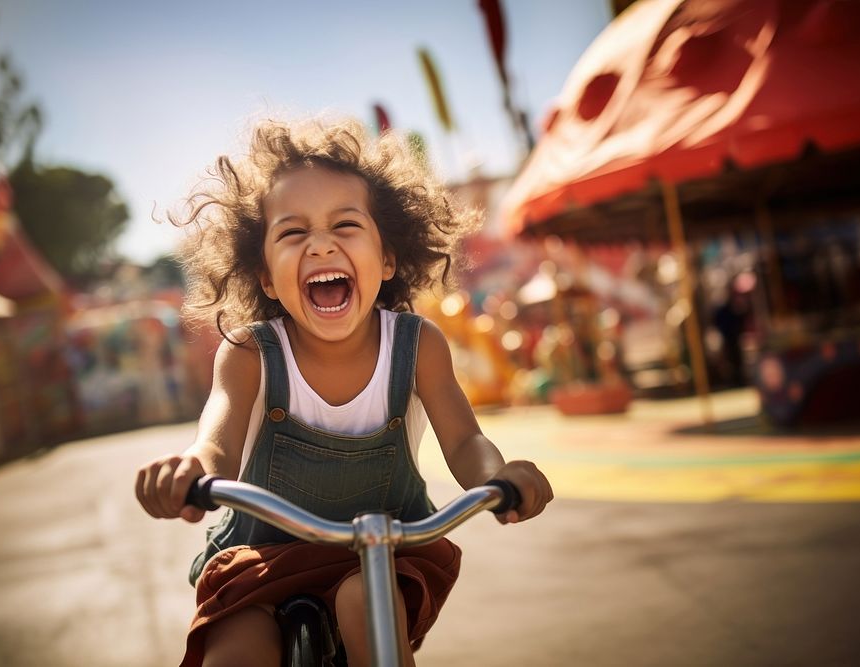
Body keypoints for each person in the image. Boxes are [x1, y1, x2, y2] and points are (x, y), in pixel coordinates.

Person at [134, 117, 554, 667]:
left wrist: (496, 476)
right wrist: (189, 470)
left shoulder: (417, 344)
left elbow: (464, 440)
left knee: (367, 603)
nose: (321, 244)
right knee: (237, 648)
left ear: (387, 258)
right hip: (261, 557)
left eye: (345, 225)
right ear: (264, 275)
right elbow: (217, 443)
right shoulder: (248, 354)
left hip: (380, 556)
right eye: (292, 232)